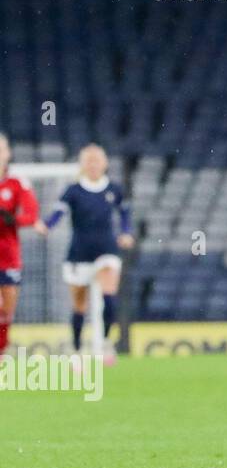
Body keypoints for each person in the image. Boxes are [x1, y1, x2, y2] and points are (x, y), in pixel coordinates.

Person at [35, 144, 134, 357]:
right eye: (89, 160)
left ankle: (106, 341)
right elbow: (58, 213)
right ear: (82, 164)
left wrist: (126, 233)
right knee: (80, 304)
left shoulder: (114, 189)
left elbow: (125, 214)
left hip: (107, 249)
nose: (93, 164)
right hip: (79, 253)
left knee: (109, 296)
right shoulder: (73, 191)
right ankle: (77, 347)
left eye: (97, 160)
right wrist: (47, 226)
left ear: (105, 163)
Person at [0, 133, 40, 354]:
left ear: (7, 153)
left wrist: (13, 220)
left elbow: (32, 214)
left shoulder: (17, 182)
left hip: (7, 256)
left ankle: (2, 352)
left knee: (6, 310)